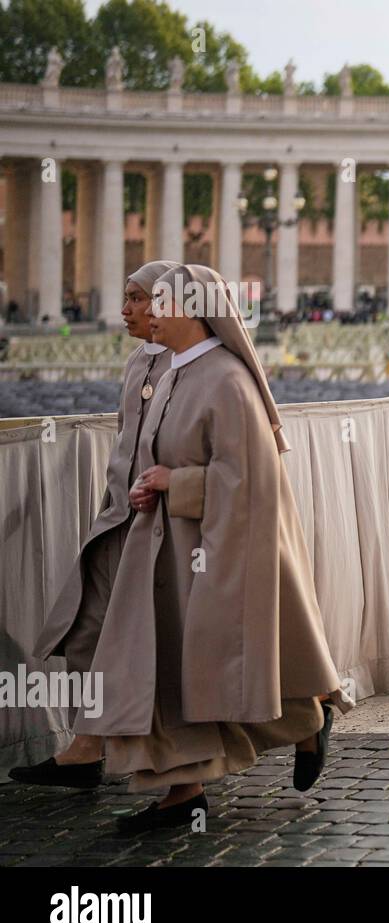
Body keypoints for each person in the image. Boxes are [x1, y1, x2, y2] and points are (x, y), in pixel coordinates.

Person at [85, 263, 351, 834]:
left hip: (203, 557)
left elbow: (249, 482)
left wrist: (172, 485)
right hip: (159, 550)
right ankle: (187, 790)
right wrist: (141, 485)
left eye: (155, 301)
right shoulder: (169, 373)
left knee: (196, 673)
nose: (144, 313)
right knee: (165, 672)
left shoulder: (227, 381)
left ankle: (294, 724)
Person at [10, 259, 180, 790]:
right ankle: (85, 749)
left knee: (194, 644)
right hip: (120, 519)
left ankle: (307, 713)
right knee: (86, 632)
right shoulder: (136, 363)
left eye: (137, 297)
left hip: (167, 528)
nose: (124, 308)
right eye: (125, 295)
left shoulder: (193, 363)